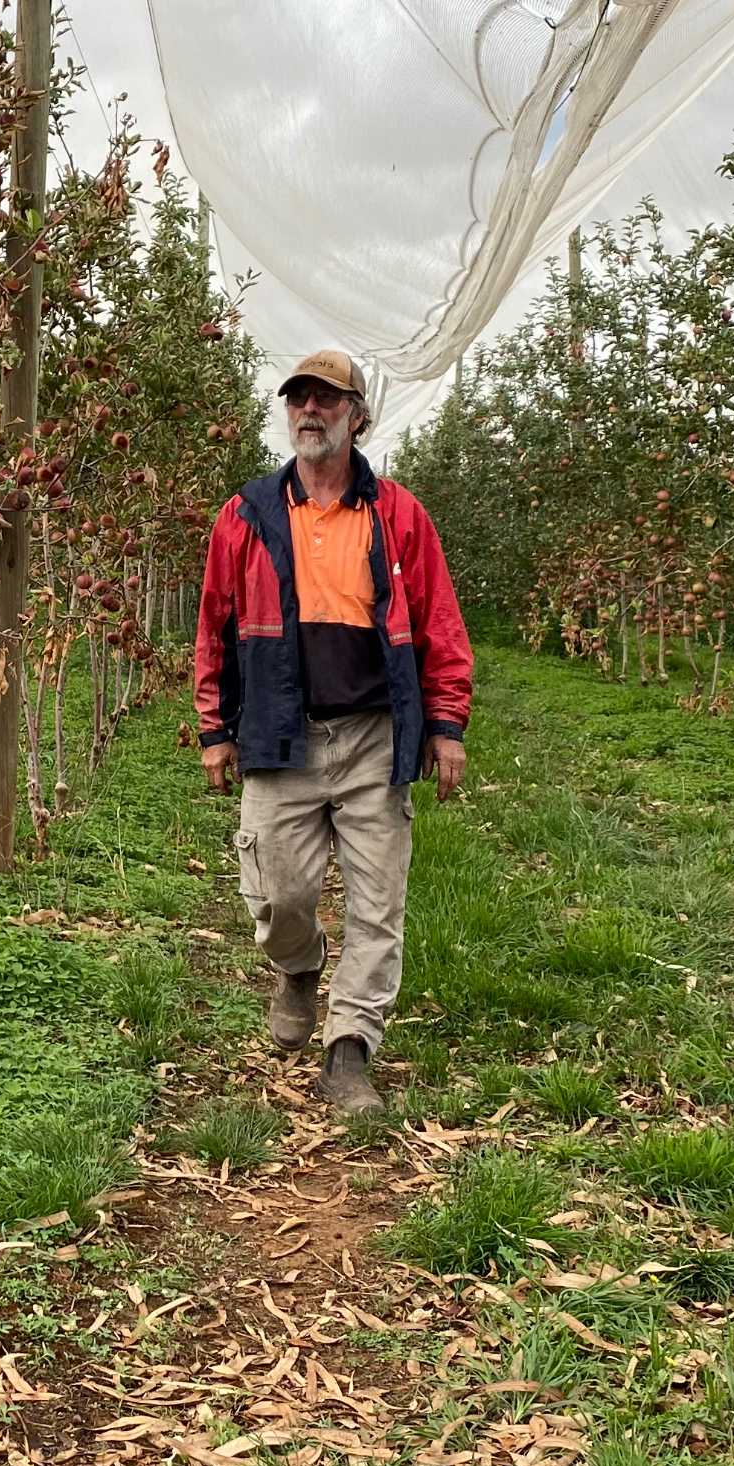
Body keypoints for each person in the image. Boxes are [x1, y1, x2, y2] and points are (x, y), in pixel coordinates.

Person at [192, 350, 472, 1113]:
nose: (309, 411)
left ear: (357, 415)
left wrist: (446, 724)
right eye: (299, 399)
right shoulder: (247, 515)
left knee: (378, 903)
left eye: (326, 399)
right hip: (279, 730)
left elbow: (440, 623)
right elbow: (214, 624)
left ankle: (349, 1051)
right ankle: (300, 965)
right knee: (278, 893)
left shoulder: (399, 515)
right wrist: (214, 727)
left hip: (374, 733)